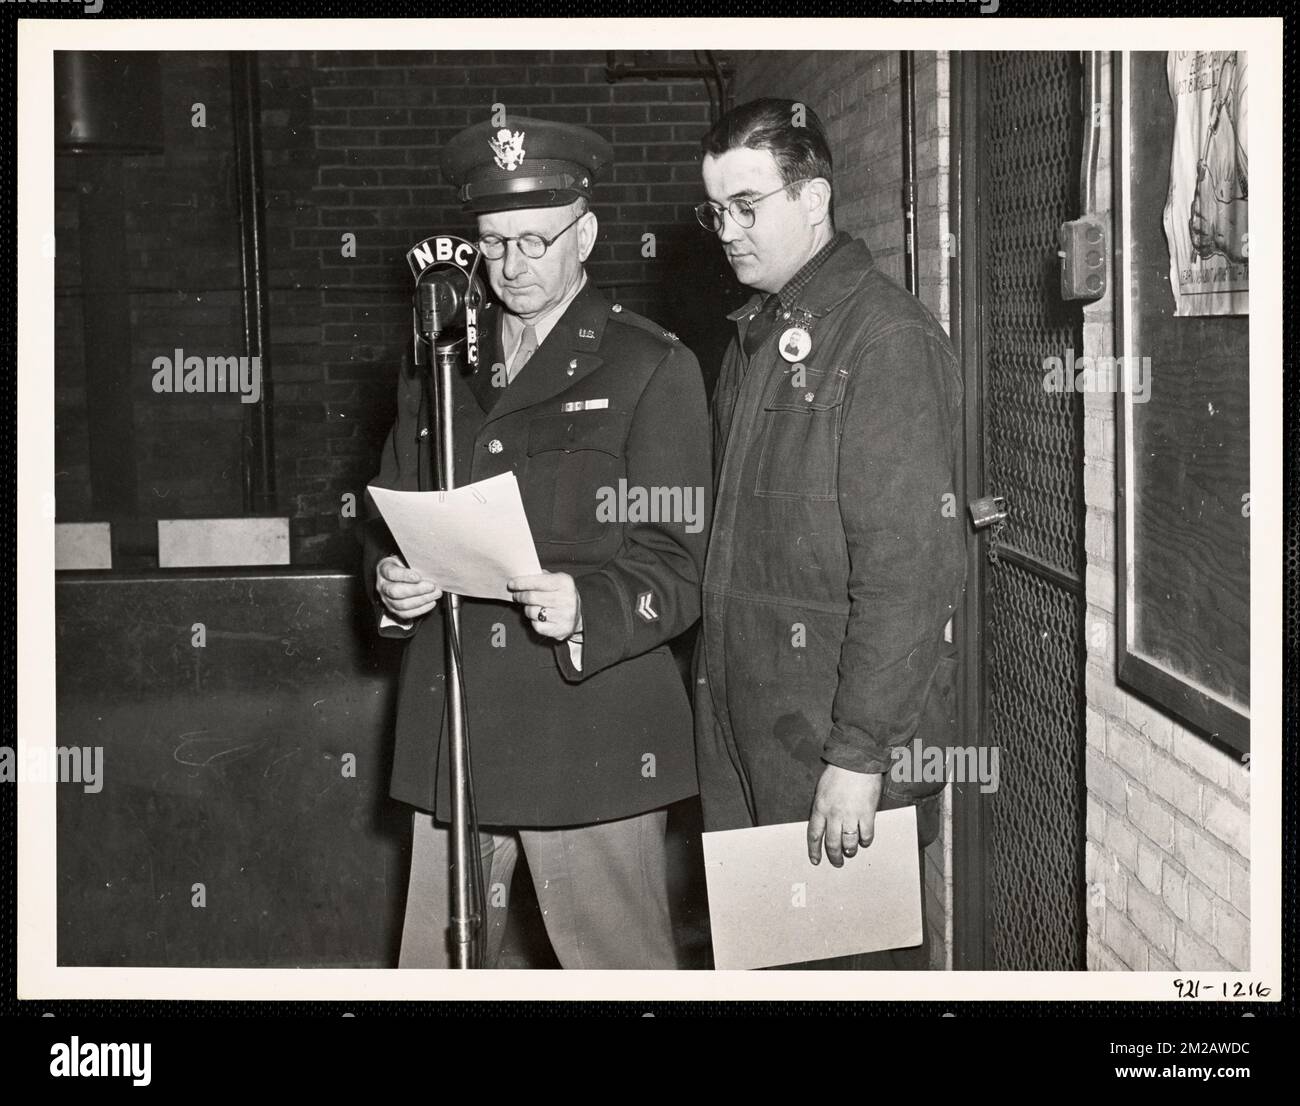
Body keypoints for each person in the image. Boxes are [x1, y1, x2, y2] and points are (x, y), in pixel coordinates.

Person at [363, 115, 710, 969]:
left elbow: (679, 561)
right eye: (491, 243)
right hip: (457, 725)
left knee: (615, 968)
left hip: (587, 726)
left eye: (533, 241)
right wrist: (390, 579)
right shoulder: (440, 361)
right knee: (438, 970)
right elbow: (387, 511)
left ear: (585, 233)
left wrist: (585, 605)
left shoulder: (649, 367)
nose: (511, 267)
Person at [692, 98, 966, 969]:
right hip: (757, 745)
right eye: (715, 211)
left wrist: (858, 756)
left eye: (747, 206)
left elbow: (909, 573)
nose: (727, 232)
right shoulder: (758, 335)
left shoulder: (884, 339)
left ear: (814, 201)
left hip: (835, 762)